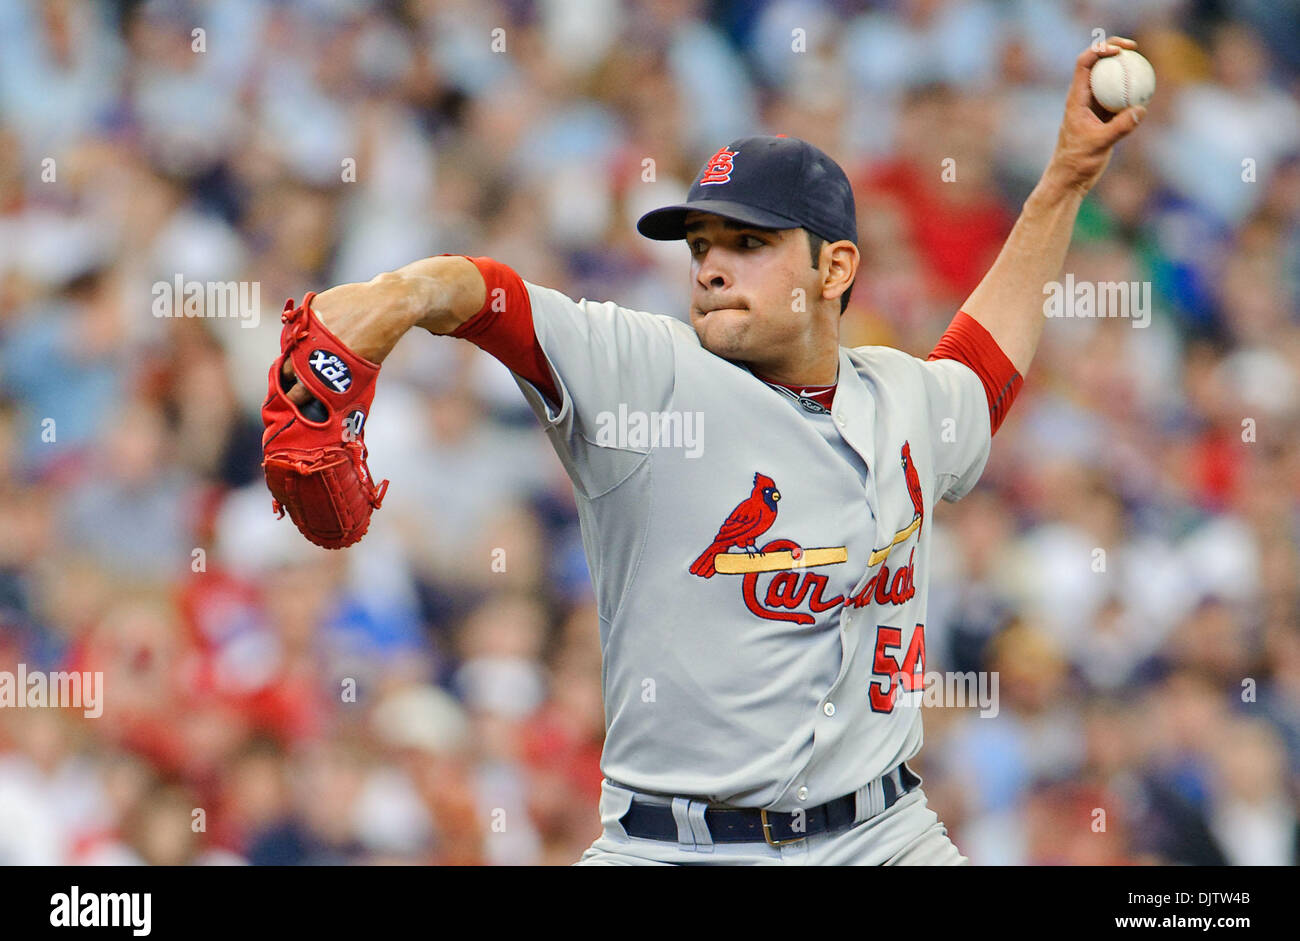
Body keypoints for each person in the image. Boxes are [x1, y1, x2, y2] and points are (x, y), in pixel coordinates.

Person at [272, 38, 1147, 864]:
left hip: (883, 835)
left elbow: (984, 366)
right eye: (701, 247)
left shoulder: (903, 395)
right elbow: (483, 294)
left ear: (834, 269)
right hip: (672, 846)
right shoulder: (649, 375)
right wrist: (387, 306)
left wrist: (1066, 178)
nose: (710, 268)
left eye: (749, 243)